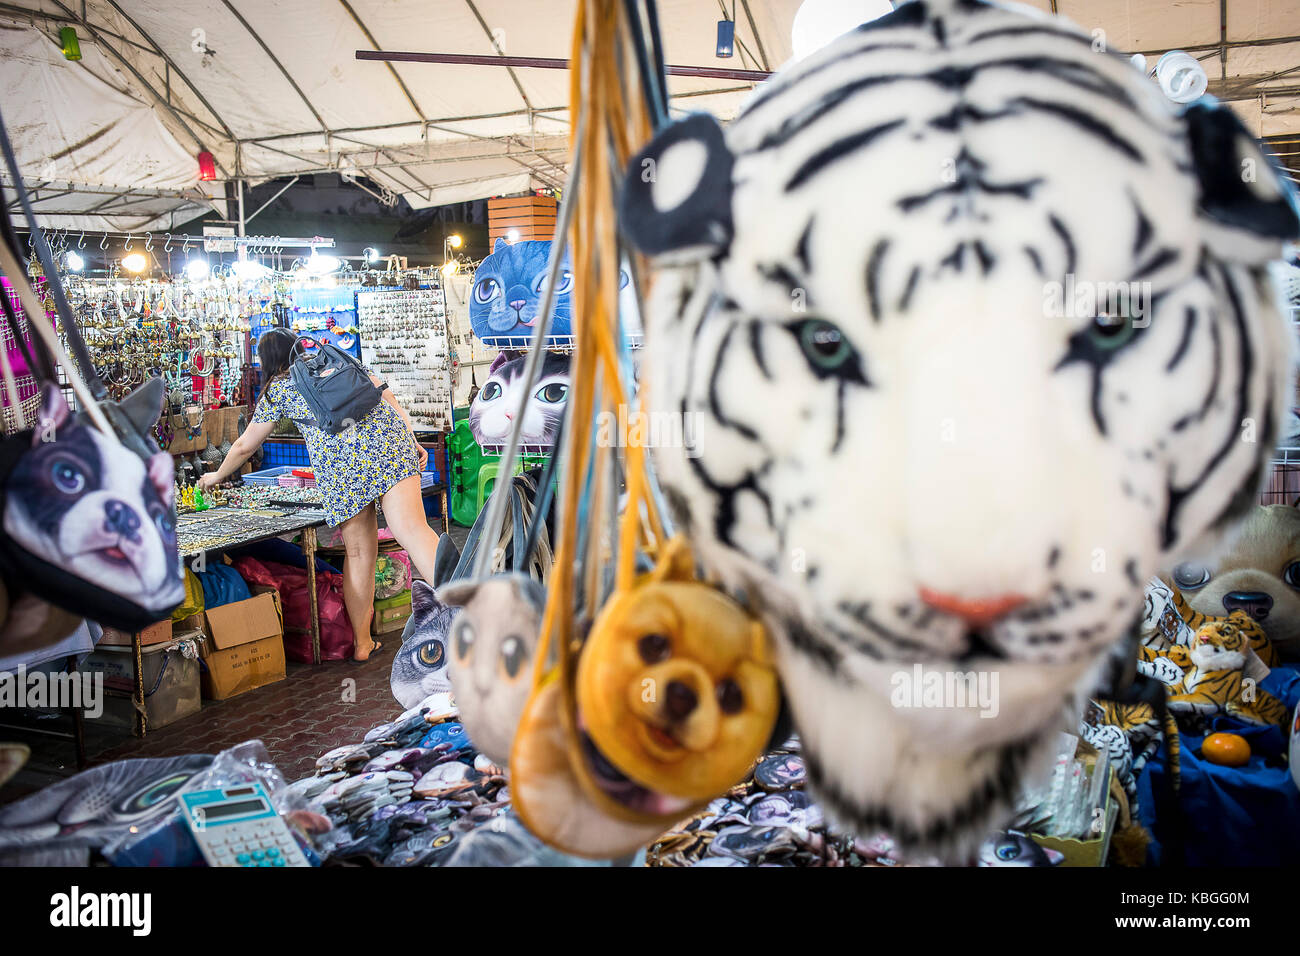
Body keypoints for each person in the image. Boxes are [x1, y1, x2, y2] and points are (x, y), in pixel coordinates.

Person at [198, 328, 439, 661]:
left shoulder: (277, 391)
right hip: (387, 443)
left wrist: (215, 475)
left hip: (340, 467)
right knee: (414, 531)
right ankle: (465, 605)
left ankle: (361, 644)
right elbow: (386, 395)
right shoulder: (336, 360)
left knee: (358, 554)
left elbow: (244, 446)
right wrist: (411, 439)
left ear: (266, 360)